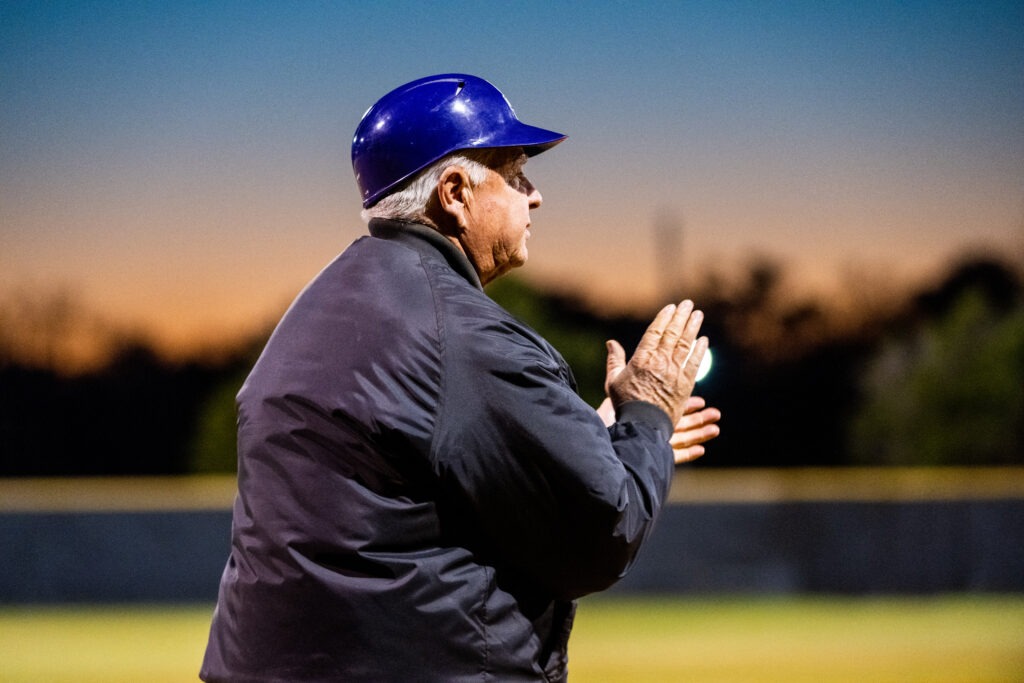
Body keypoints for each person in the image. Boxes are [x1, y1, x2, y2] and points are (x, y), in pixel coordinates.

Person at [200, 73, 721, 682]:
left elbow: (416, 467)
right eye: (516, 173)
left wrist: (585, 439)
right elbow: (602, 535)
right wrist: (648, 410)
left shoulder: (317, 309)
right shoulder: (465, 335)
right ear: (454, 193)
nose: (535, 196)